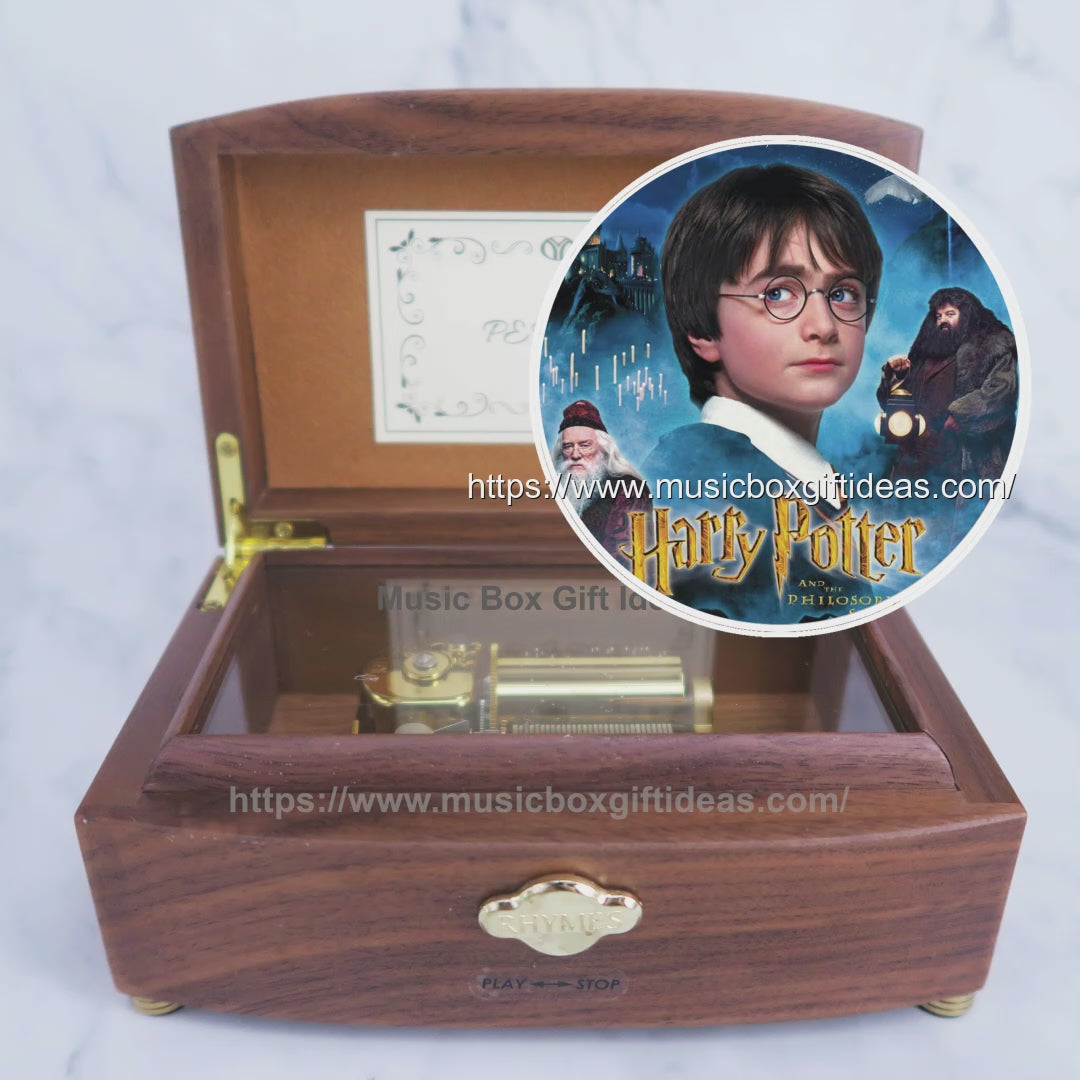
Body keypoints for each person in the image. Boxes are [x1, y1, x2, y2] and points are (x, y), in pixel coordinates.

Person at [644, 163, 884, 622]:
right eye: (777, 293)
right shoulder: (703, 490)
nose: (824, 326)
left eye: (843, 293)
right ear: (703, 329)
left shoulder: (794, 484)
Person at [877, 287, 1018, 483]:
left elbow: (1002, 393)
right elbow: (894, 409)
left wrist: (959, 416)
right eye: (938, 316)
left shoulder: (992, 348)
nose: (942, 320)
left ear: (966, 315)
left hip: (963, 461)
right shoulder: (924, 355)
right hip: (916, 461)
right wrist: (895, 376)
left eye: (950, 314)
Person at [552, 400, 652, 560]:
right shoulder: (557, 485)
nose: (575, 454)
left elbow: (622, 552)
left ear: (603, 447)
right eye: (568, 446)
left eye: (585, 445)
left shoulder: (629, 488)